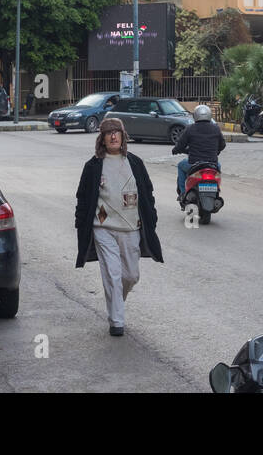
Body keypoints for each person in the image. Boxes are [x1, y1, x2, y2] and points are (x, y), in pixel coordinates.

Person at [74, 118, 163, 336]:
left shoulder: (135, 163)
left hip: (131, 227)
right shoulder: (93, 166)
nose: (113, 136)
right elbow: (83, 198)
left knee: (130, 276)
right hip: (103, 228)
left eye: (117, 132)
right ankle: (116, 321)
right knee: (113, 274)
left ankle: (117, 302)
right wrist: (80, 223)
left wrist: (151, 216)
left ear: (123, 137)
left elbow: (147, 193)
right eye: (108, 133)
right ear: (102, 139)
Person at [172, 104, 226, 204]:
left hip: (194, 163)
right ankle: (216, 189)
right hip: (212, 163)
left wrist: (176, 150)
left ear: (195, 116)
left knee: (180, 166)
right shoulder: (216, 128)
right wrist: (215, 151)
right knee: (218, 167)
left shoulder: (190, 128)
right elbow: (222, 145)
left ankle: (183, 193)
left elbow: (180, 145)